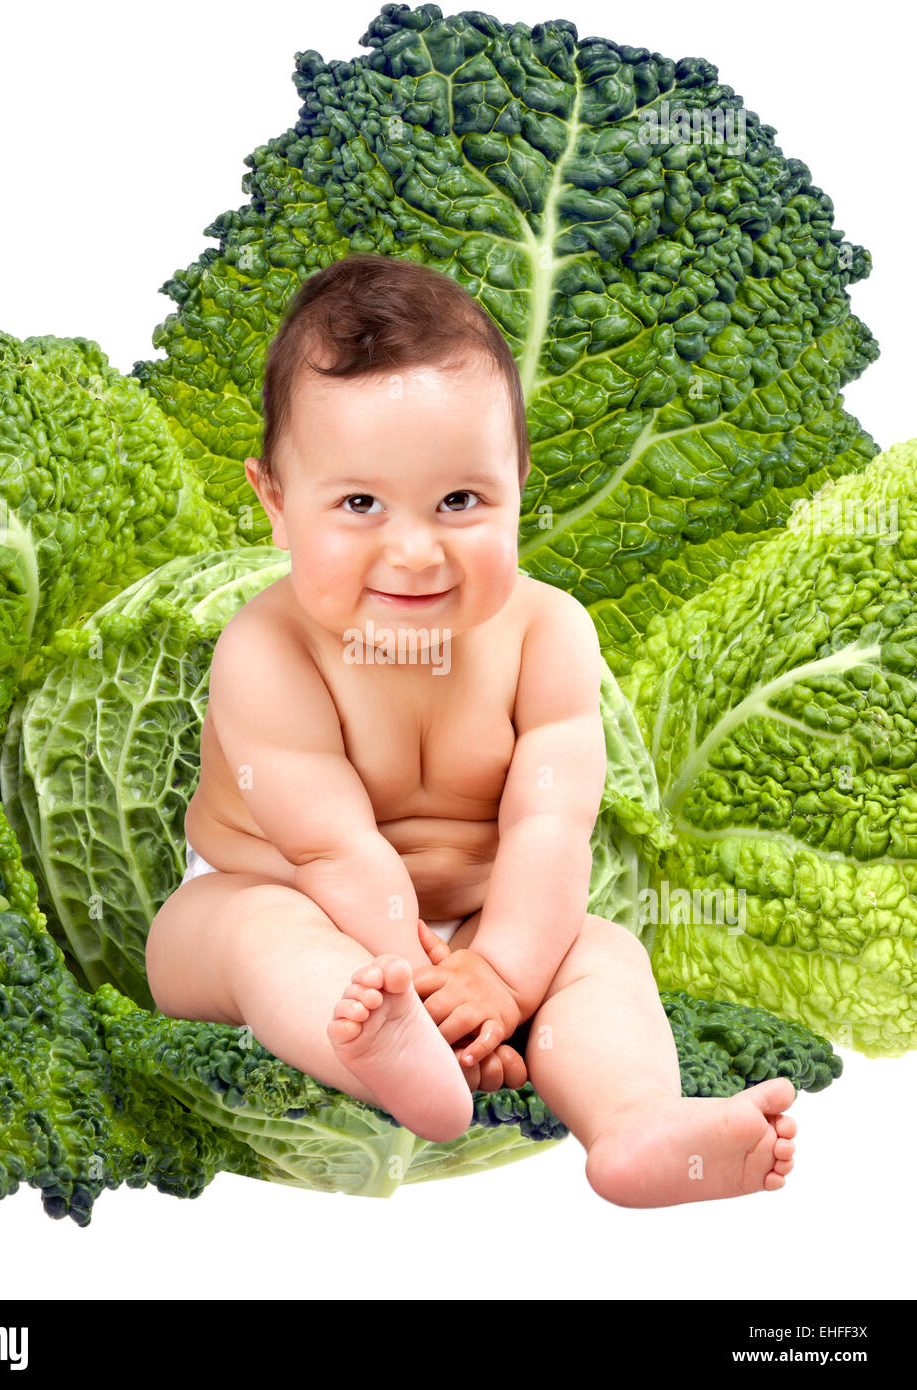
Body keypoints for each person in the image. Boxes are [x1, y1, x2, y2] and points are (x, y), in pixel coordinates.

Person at [144, 254, 797, 1206]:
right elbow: (328, 847)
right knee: (246, 936)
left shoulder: (549, 631)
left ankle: (632, 1123)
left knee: (604, 954)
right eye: (359, 504)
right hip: (289, 892)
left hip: (497, 917)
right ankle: (389, 1049)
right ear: (275, 502)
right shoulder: (267, 647)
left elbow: (549, 827)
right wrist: (420, 979)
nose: (414, 551)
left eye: (461, 501)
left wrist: (501, 973)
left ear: (520, 481)